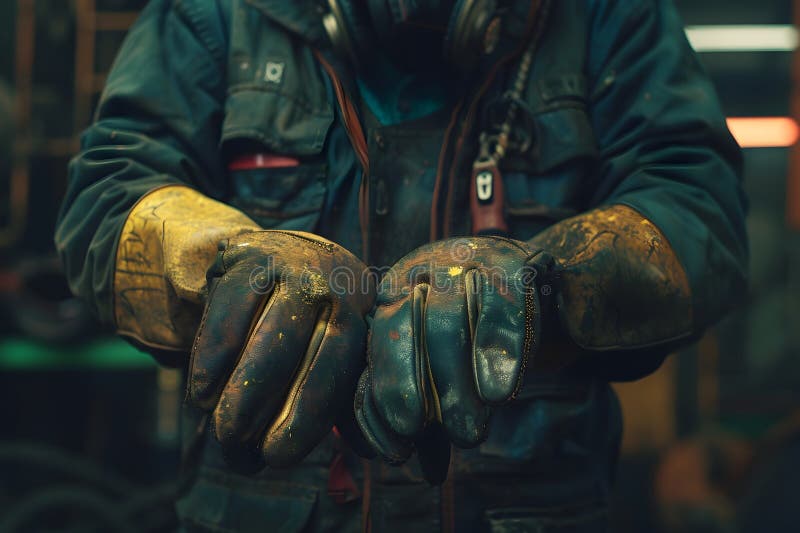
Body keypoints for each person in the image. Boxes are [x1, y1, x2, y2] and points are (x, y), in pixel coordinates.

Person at [55, 0, 748, 531]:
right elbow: (107, 196)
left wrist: (543, 285)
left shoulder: (603, 16)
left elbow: (699, 208)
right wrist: (230, 263)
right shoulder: (218, 15)